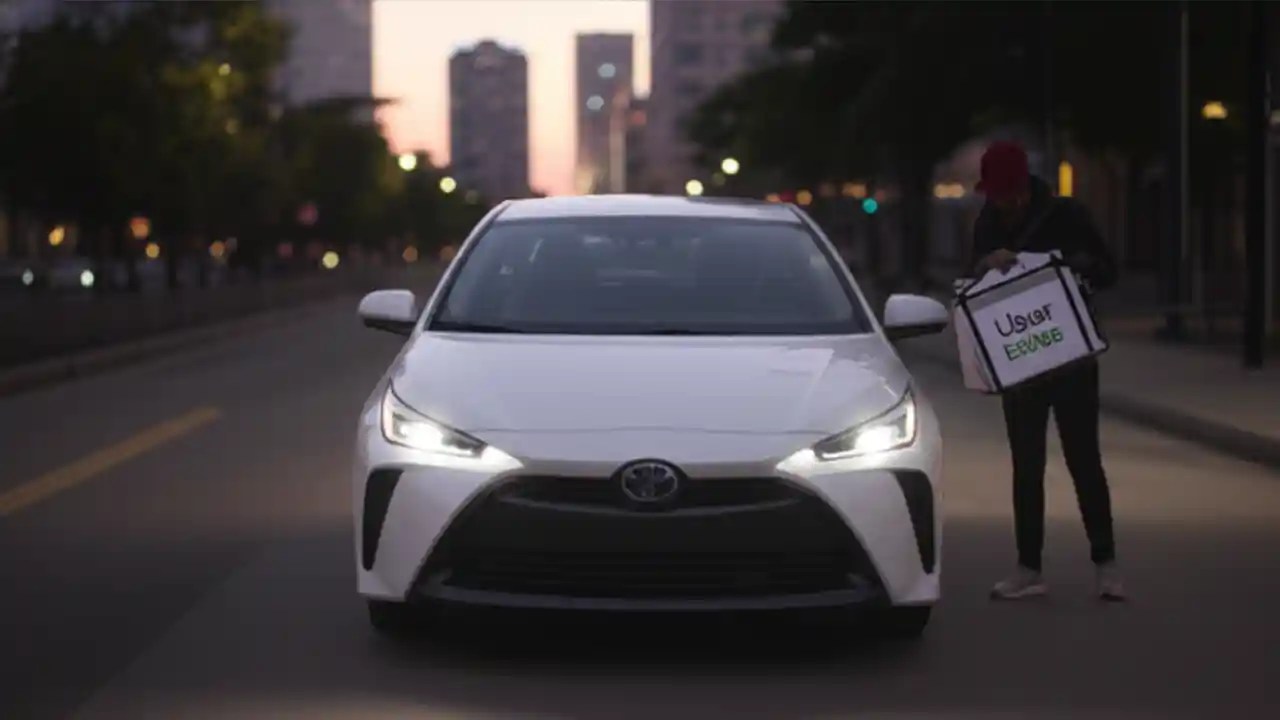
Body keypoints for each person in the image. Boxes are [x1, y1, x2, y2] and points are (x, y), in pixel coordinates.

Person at [968, 140, 1126, 602]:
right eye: (997, 196)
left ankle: (1107, 564)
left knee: (1084, 461)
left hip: (1070, 357)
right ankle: (1028, 567)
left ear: (1024, 186)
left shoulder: (1066, 215)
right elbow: (969, 280)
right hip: (1019, 360)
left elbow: (1108, 269)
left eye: (1010, 194)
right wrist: (986, 263)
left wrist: (1070, 266)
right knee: (1027, 465)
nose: (1005, 204)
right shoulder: (988, 222)